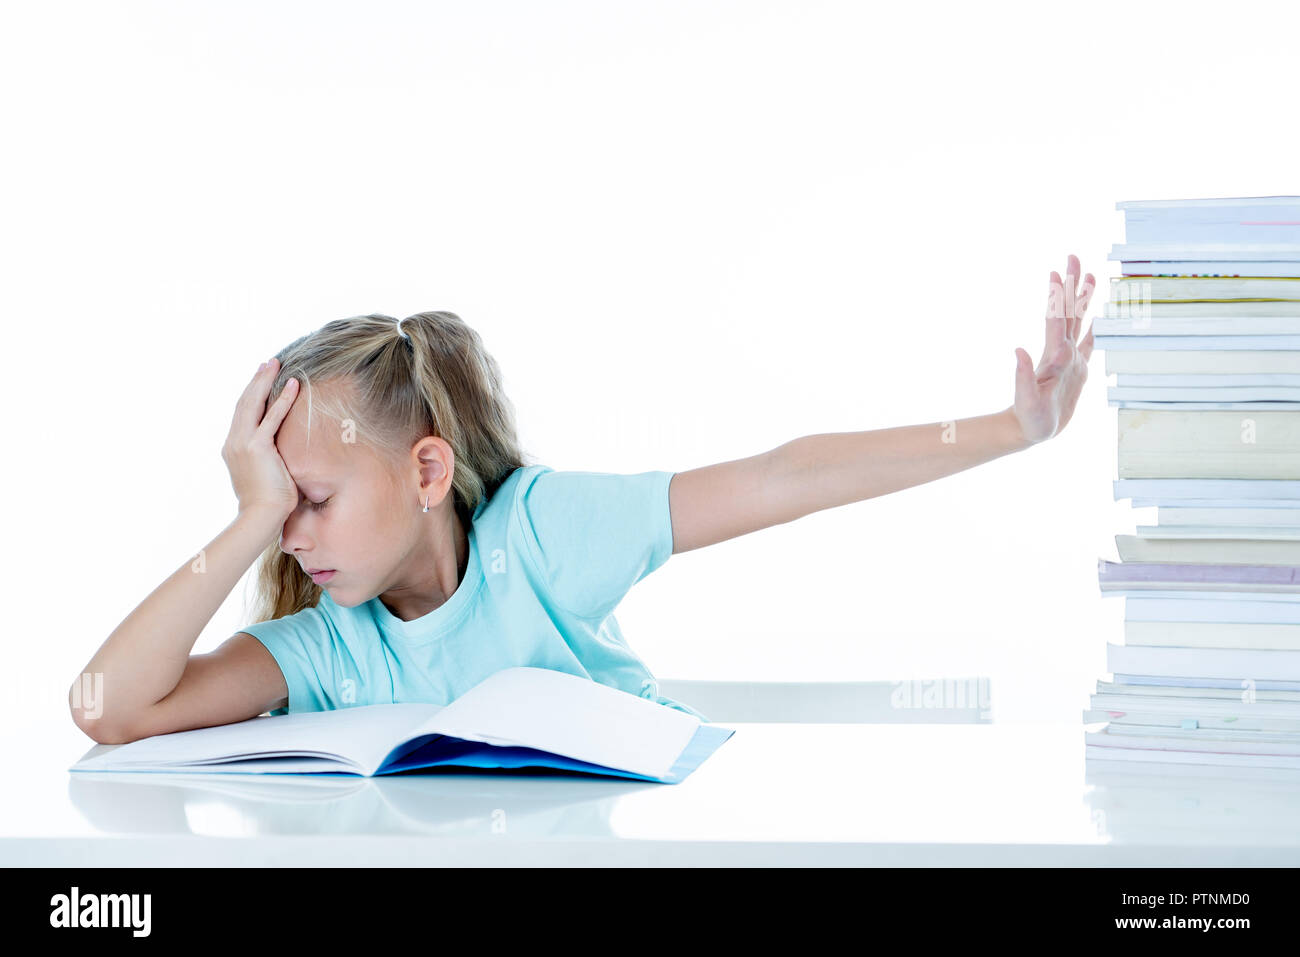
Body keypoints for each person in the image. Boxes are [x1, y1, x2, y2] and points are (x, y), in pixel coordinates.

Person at [69, 255, 1095, 744]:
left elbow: (784, 476)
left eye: (310, 500)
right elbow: (105, 710)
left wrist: (1011, 429)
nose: (292, 537)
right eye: (272, 507)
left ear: (427, 475)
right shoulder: (327, 646)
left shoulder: (542, 538)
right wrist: (249, 521)